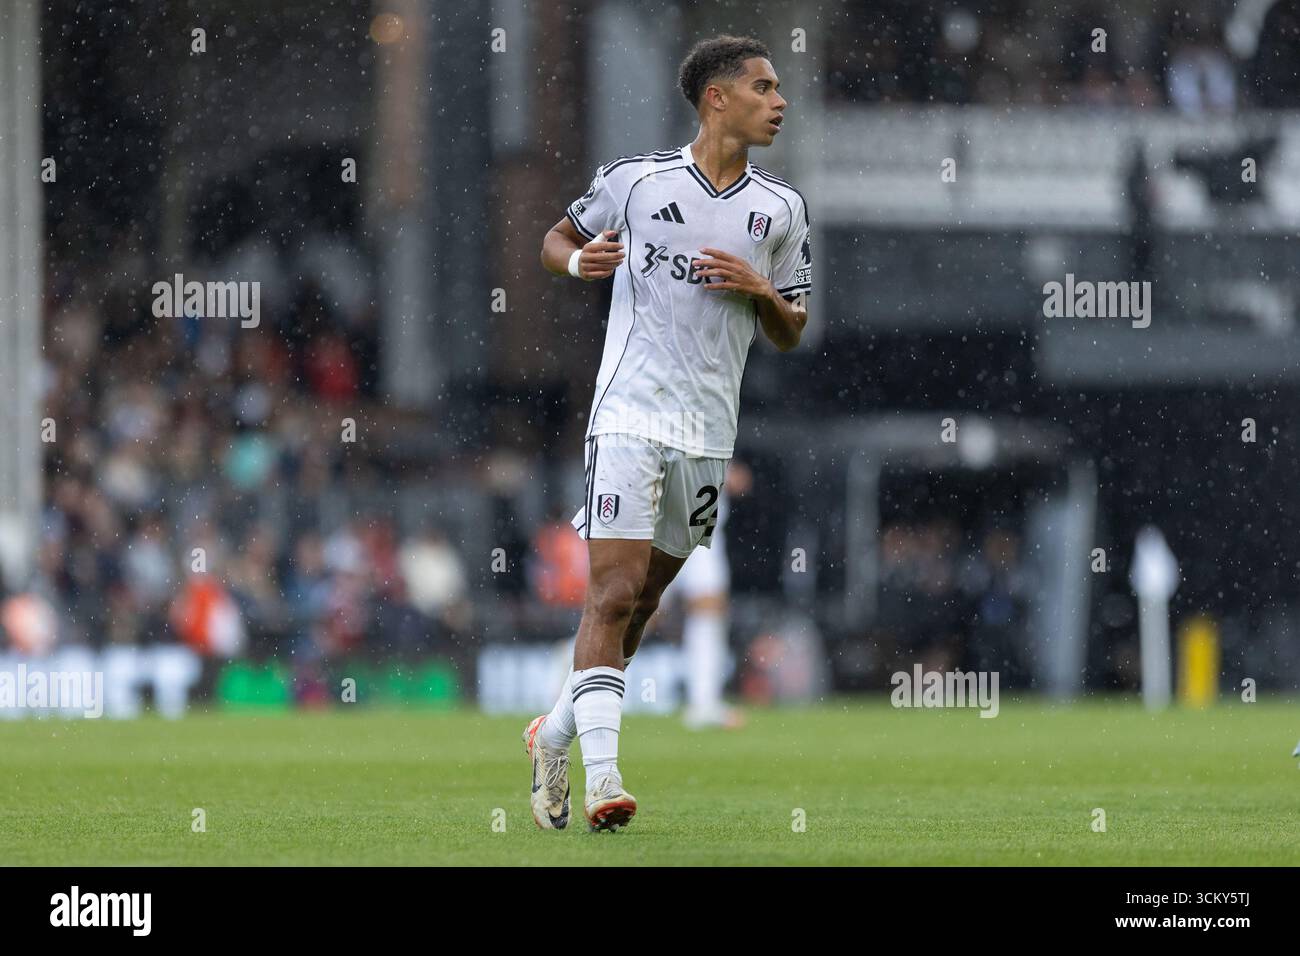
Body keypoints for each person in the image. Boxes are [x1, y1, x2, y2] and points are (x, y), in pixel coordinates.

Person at [528, 34, 813, 832]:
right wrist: (579, 264)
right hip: (628, 412)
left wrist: (760, 289)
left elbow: (792, 328)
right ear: (717, 98)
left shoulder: (781, 209)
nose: (779, 101)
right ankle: (604, 781)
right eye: (764, 87)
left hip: (708, 430)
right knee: (613, 592)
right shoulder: (636, 180)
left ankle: (552, 734)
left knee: (645, 603)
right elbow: (554, 239)